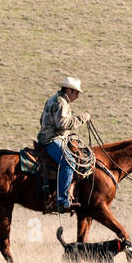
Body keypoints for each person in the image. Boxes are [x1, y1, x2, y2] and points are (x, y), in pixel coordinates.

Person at [38, 76, 91, 214]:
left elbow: (42, 120)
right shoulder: (61, 103)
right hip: (51, 140)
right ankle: (61, 200)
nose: (77, 96)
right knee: (68, 163)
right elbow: (63, 124)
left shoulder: (53, 99)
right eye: (76, 92)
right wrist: (82, 118)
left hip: (48, 137)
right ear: (69, 90)